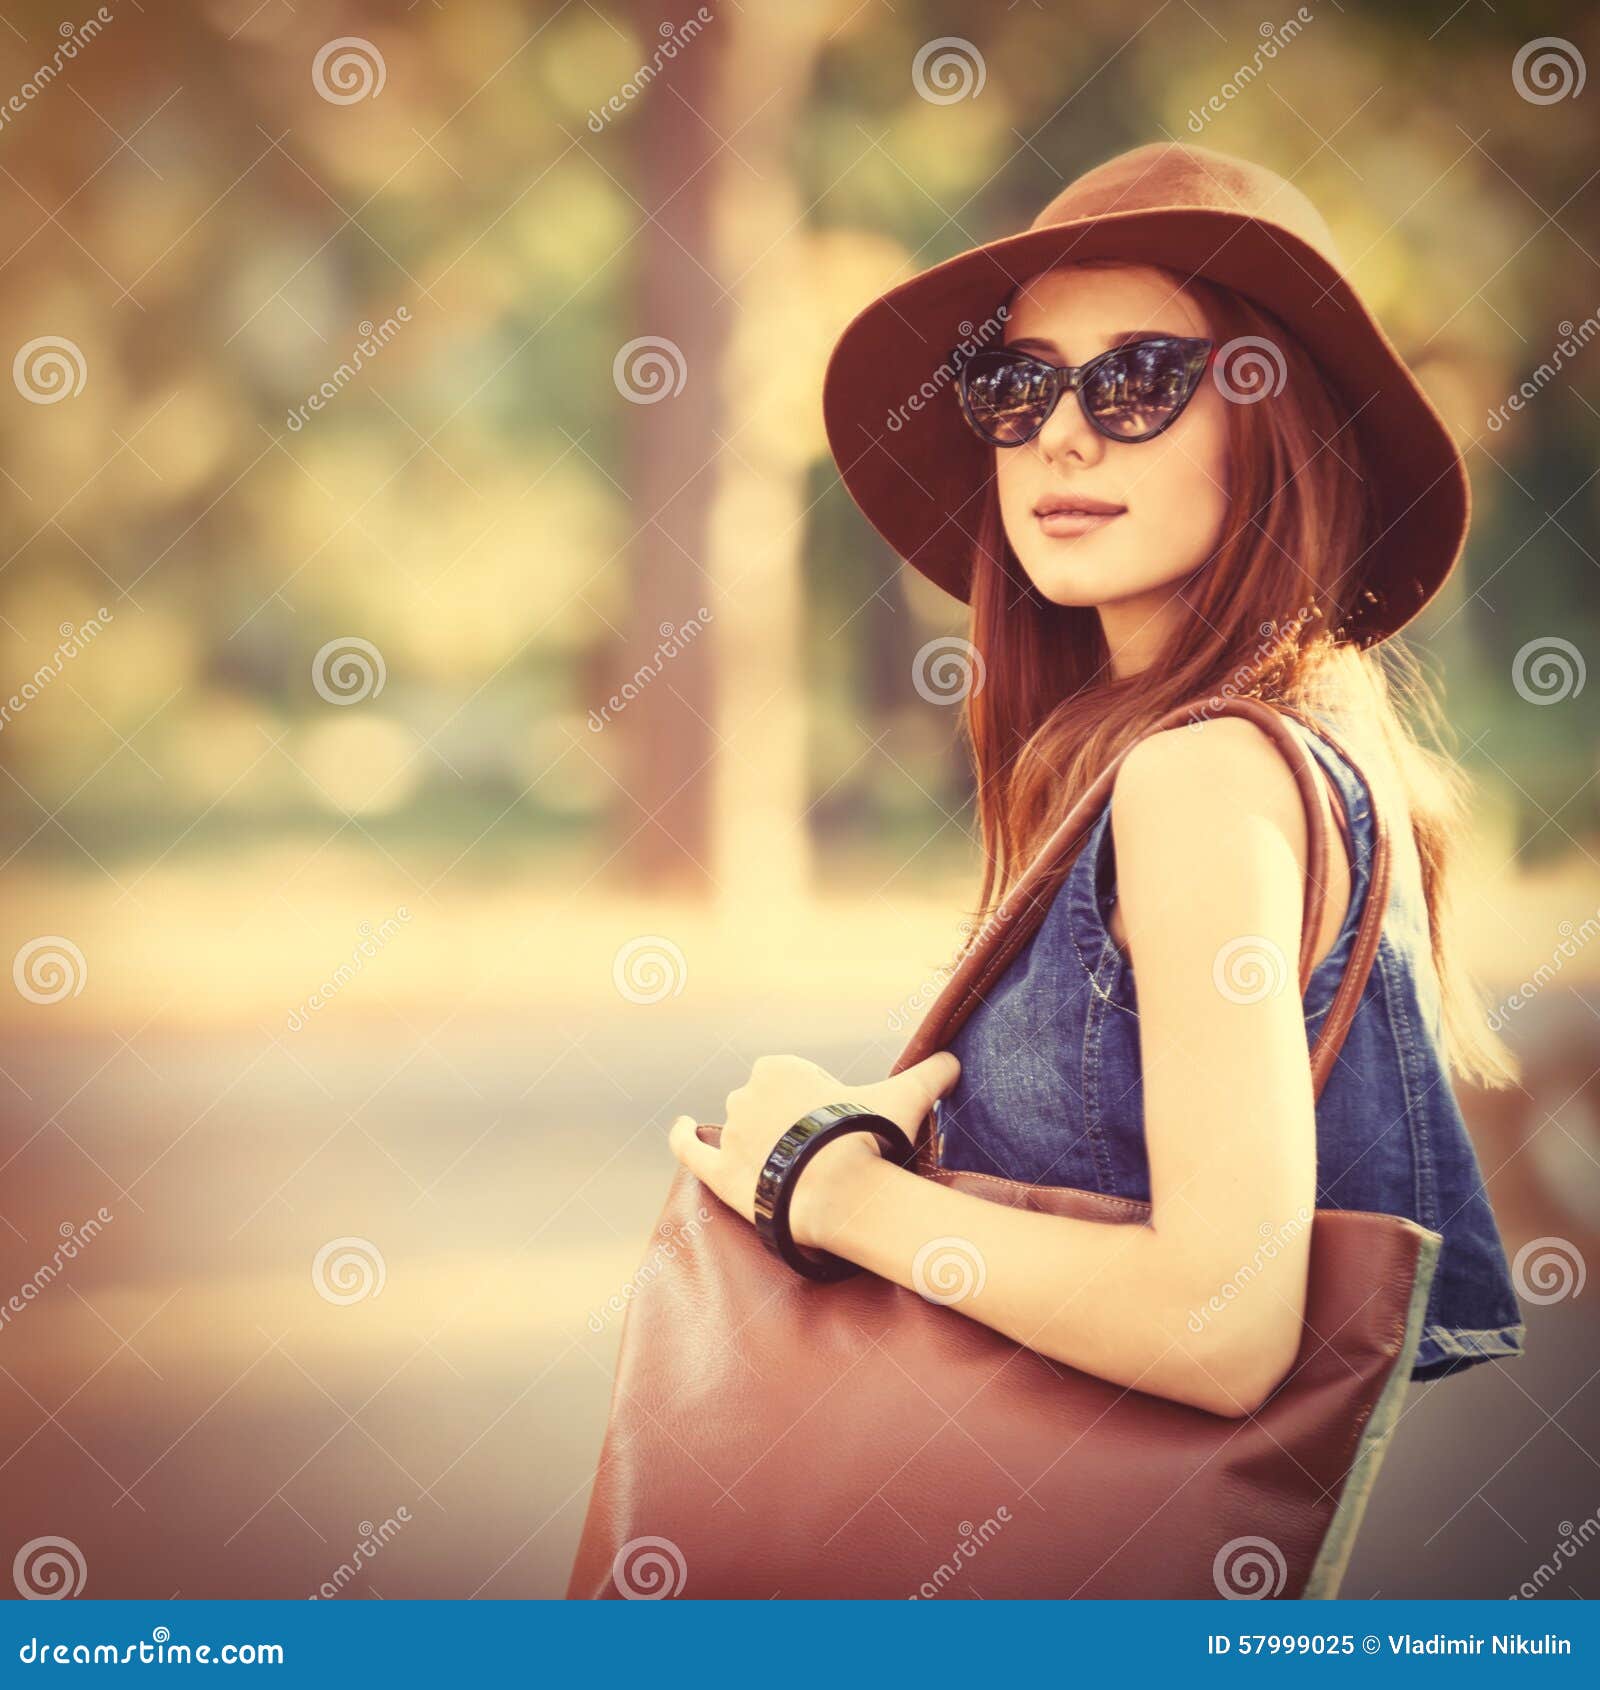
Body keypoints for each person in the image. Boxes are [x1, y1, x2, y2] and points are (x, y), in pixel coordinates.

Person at [667, 141, 1526, 1418]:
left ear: (1272, 427)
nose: (1060, 434)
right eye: (1018, 388)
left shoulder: (1202, 781)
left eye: (1137, 381)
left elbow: (1221, 1323)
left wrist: (833, 1186)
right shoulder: (1283, 755)